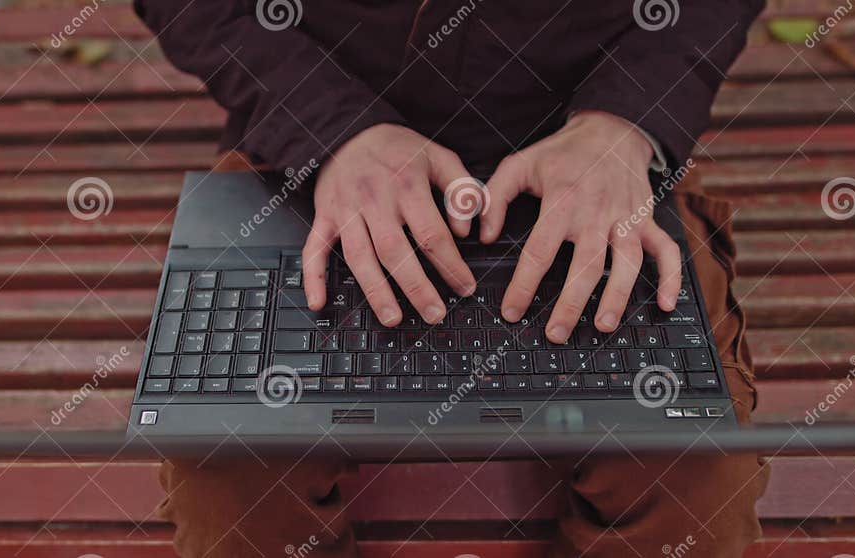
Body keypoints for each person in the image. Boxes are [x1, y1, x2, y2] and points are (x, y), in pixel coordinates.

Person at [135, 1, 770, 556]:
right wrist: (326, 127)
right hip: (310, 163)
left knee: (696, 478)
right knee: (229, 475)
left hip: (592, 163)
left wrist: (626, 120)